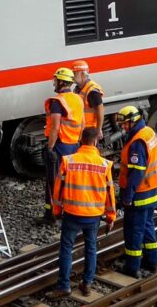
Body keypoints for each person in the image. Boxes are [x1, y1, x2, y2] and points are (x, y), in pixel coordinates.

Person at [45, 127, 116, 299]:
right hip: (93, 216)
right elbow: (110, 193)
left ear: (80, 140)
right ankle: (87, 283)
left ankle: (64, 286)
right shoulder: (104, 165)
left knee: (66, 249)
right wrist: (111, 216)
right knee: (91, 248)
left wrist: (56, 210)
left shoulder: (68, 161)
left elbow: (57, 189)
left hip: (72, 214)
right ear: (95, 141)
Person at [115, 106, 157, 278]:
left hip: (140, 194)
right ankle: (152, 262)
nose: (123, 127)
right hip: (152, 189)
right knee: (147, 226)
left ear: (133, 120)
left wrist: (127, 197)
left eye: (125, 124)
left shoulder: (137, 142)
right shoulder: (148, 132)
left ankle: (132, 267)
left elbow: (136, 173)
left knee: (133, 231)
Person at [37, 67, 84, 225]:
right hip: (73, 145)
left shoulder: (57, 102)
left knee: (53, 182)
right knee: (69, 180)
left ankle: (52, 215)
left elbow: (55, 128)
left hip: (60, 145)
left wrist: (49, 147)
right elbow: (82, 123)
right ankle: (68, 211)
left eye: (56, 80)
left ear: (61, 82)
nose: (54, 83)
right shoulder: (77, 99)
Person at [72, 60, 105, 141]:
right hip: (82, 129)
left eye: (74, 73)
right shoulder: (77, 89)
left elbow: (100, 110)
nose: (72, 76)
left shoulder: (92, 90)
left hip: (90, 131)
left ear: (83, 73)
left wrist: (99, 129)